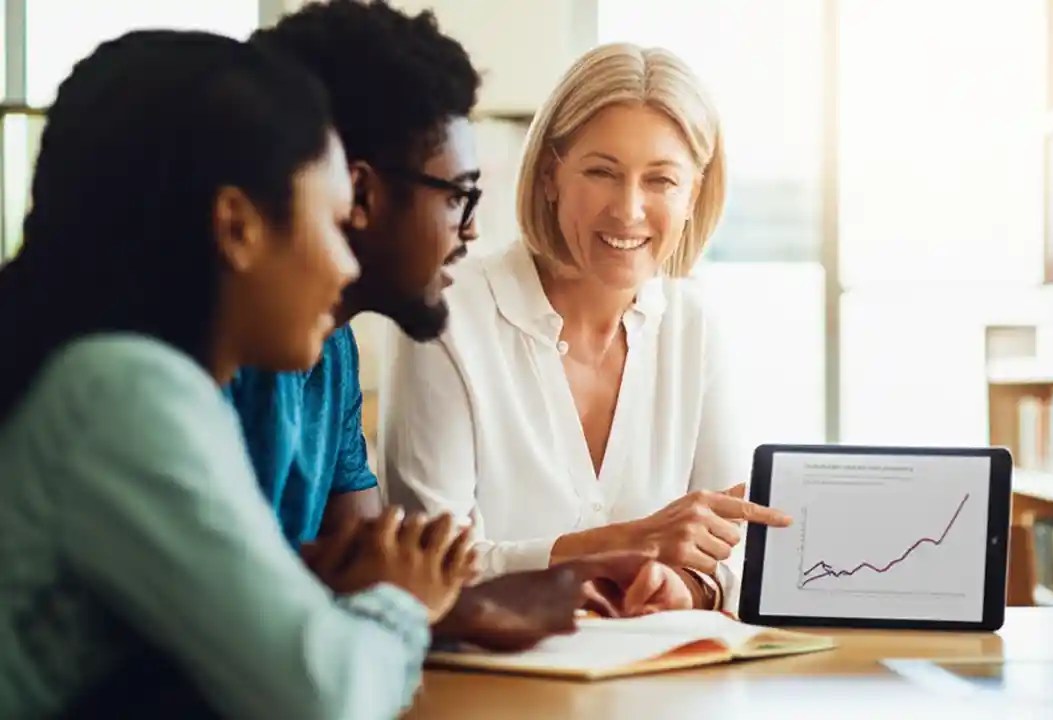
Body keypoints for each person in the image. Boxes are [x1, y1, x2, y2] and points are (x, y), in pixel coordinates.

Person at [0, 30, 474, 719]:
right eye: (333, 221)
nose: (346, 267)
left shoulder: (115, 376)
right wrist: (400, 601)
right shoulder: (122, 391)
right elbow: (324, 697)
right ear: (238, 227)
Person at [239, 0, 655, 643]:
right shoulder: (210, 363)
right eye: (457, 195)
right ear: (361, 194)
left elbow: (378, 574)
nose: (471, 229)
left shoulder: (334, 349)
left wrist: (483, 605)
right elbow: (277, 623)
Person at [382, 42, 791, 614]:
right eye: (602, 172)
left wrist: (689, 586)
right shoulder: (446, 315)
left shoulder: (693, 324)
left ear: (694, 194)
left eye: (662, 181)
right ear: (551, 176)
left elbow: (735, 547)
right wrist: (612, 547)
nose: (628, 210)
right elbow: (427, 567)